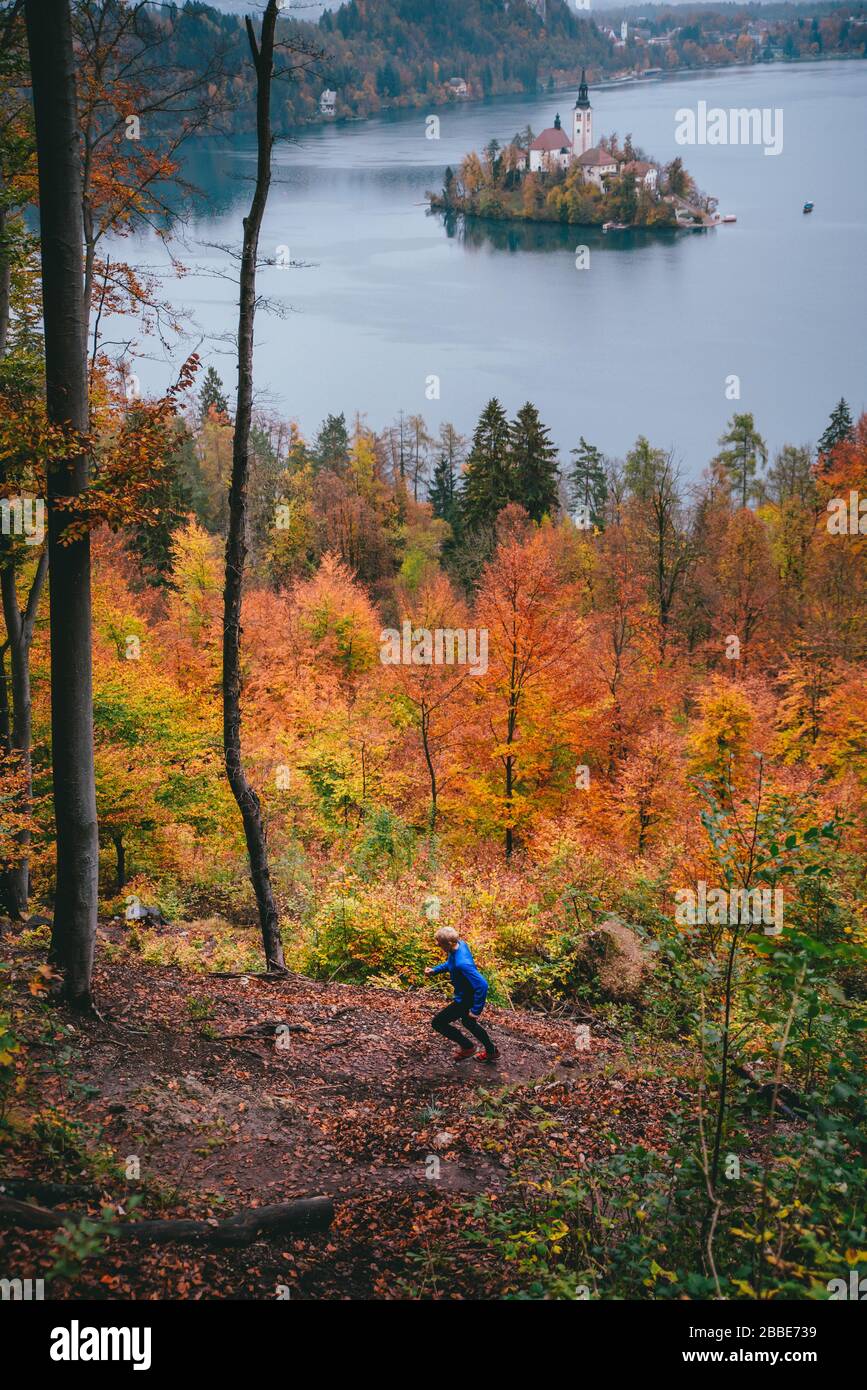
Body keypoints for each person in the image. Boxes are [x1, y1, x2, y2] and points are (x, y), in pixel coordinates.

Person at [425, 925, 498, 1063]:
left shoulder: (462, 963)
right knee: (469, 1023)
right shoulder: (459, 945)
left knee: (438, 1023)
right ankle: (491, 1051)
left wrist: (476, 1010)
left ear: (449, 943)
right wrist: (435, 970)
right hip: (465, 995)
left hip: (465, 999)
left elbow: (482, 985)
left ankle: (468, 1047)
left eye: (439, 943)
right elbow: (450, 964)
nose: (437, 944)